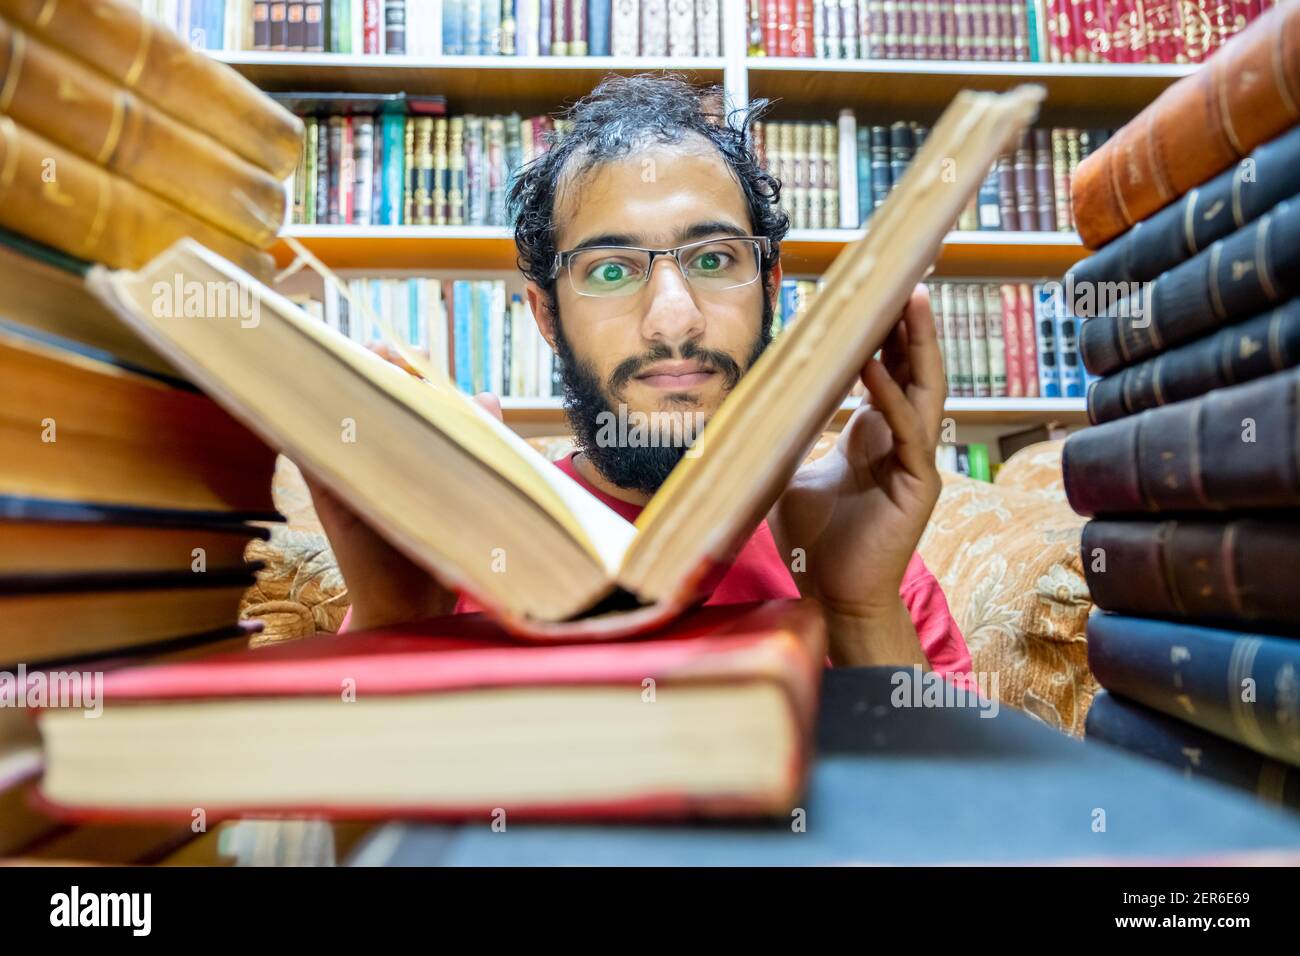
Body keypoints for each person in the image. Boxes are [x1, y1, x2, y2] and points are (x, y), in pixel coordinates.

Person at [308, 75, 972, 673]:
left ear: (770, 286)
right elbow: (329, 807)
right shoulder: (446, 552)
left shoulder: (864, 553)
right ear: (546, 315)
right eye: (611, 270)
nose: (673, 321)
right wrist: (396, 617)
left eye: (713, 260)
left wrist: (857, 610)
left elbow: (964, 813)